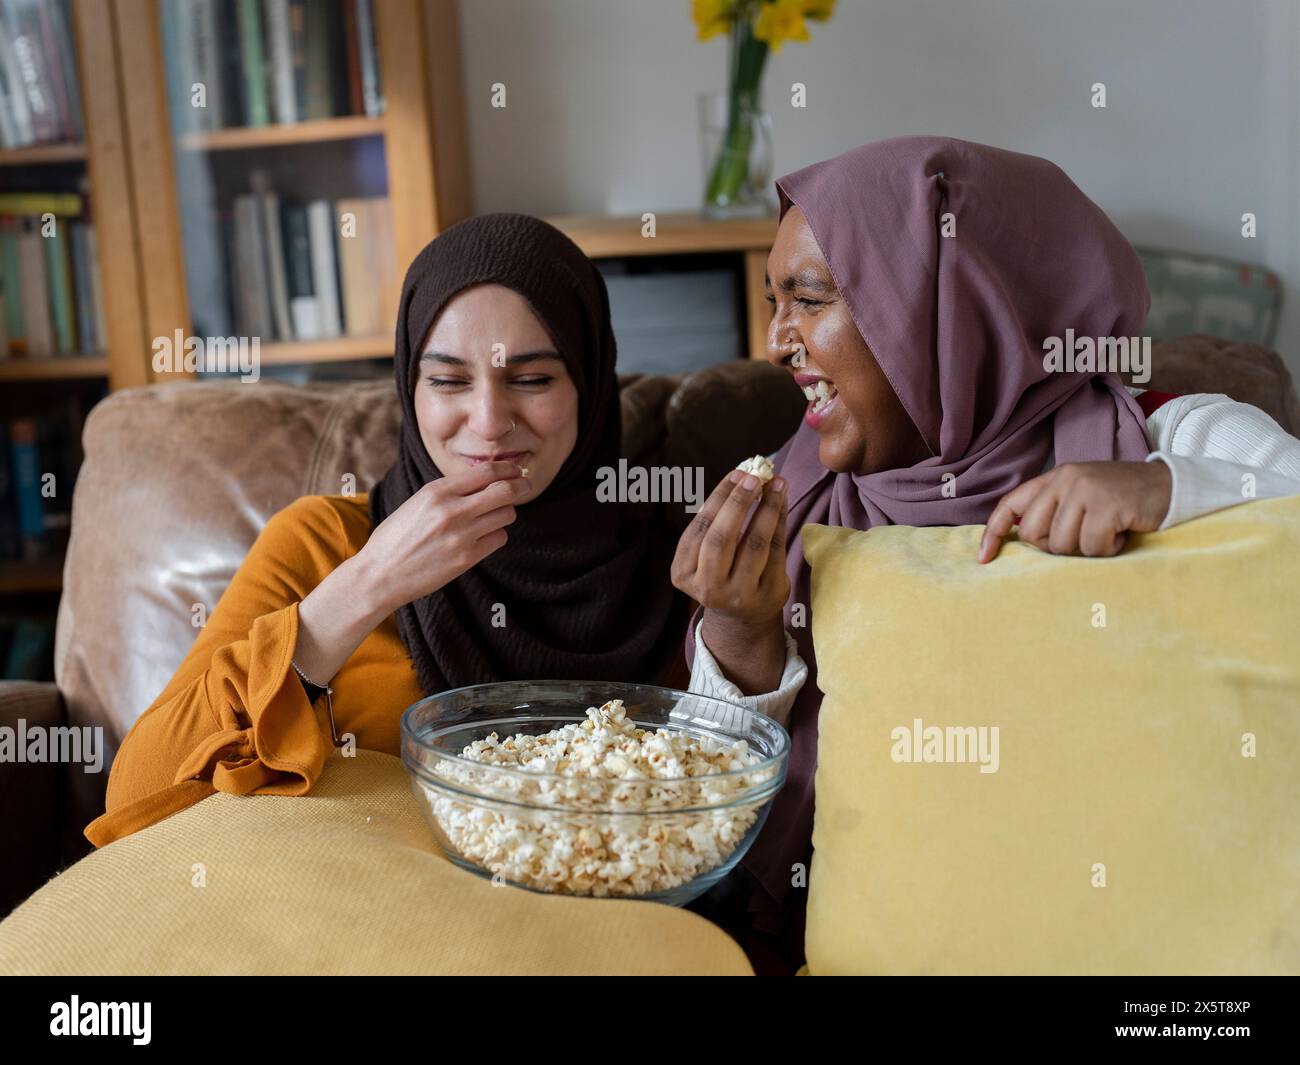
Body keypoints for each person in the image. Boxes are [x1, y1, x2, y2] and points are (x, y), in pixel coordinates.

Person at [674, 135, 1300, 974]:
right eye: (773, 300)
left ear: (945, 303)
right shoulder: (798, 491)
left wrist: (1164, 489)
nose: (779, 337)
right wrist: (739, 634)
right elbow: (696, 821)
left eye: (809, 297)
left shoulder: (1165, 429)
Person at [85, 213, 695, 846]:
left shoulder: (673, 564)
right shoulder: (323, 544)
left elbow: (720, 801)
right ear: (410, 387)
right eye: (448, 381)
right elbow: (139, 795)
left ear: (590, 386)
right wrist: (367, 584)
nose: (488, 422)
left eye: (532, 379)